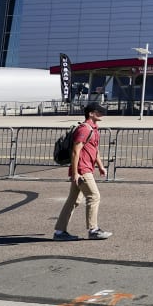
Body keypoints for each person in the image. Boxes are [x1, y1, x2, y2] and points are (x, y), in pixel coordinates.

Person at [53, 102, 113, 240]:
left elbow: (95, 150)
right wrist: (75, 173)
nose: (101, 113)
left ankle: (60, 232)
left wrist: (100, 166)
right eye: (98, 111)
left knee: (73, 200)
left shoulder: (94, 129)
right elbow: (75, 152)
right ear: (91, 114)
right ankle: (93, 230)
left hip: (85, 168)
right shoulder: (84, 129)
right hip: (82, 169)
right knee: (94, 196)